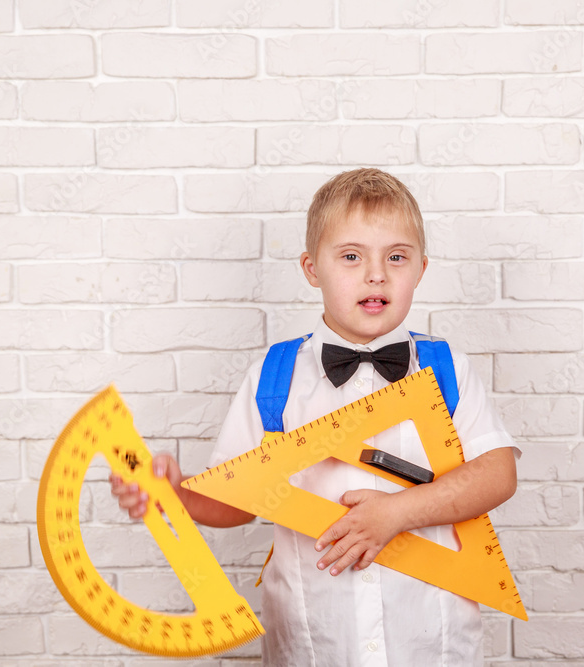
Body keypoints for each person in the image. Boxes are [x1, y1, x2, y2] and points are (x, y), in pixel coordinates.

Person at [111, 167, 520, 666]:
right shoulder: (274, 376)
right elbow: (237, 502)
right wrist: (176, 494)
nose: (376, 274)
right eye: (351, 256)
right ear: (311, 269)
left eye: (397, 257)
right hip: (311, 644)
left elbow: (498, 474)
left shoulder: (446, 368)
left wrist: (395, 514)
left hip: (430, 642)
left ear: (421, 269)